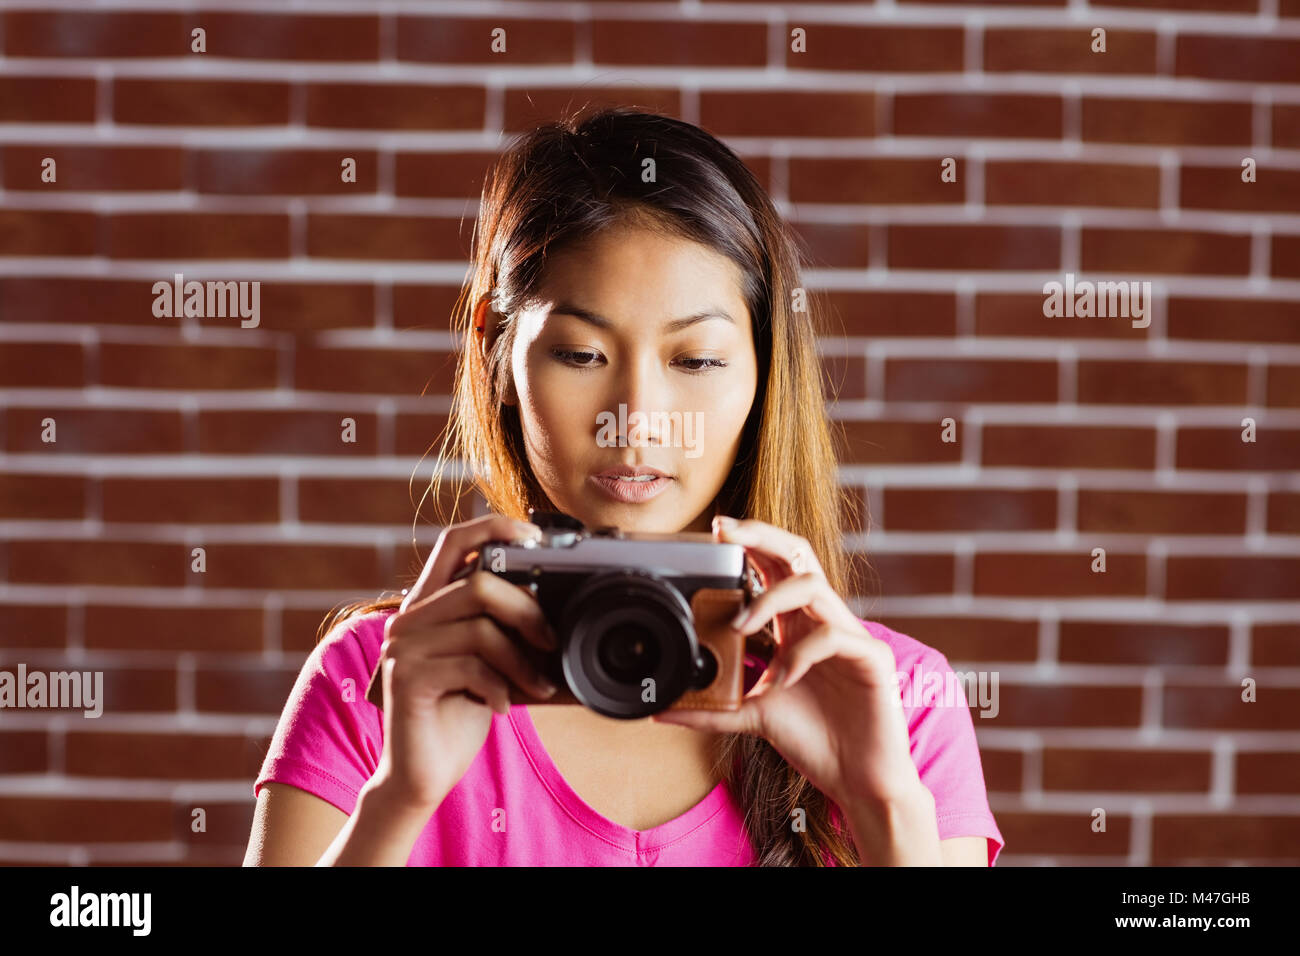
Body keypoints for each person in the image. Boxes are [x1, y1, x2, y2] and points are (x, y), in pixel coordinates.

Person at [243, 106, 1004, 867]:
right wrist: (398, 799)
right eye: (580, 354)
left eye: (697, 360)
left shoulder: (894, 703)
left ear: (765, 372)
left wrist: (881, 807)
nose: (636, 422)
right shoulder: (381, 679)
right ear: (495, 352)